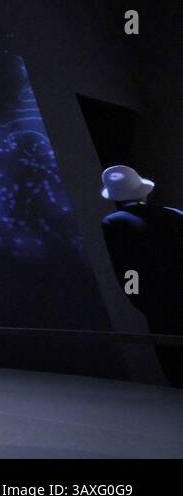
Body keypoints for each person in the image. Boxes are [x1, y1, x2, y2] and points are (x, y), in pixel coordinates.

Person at [100, 165, 183, 387]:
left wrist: (138, 298)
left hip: (160, 301)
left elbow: (127, 269)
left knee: (174, 360)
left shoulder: (116, 222)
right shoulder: (175, 214)